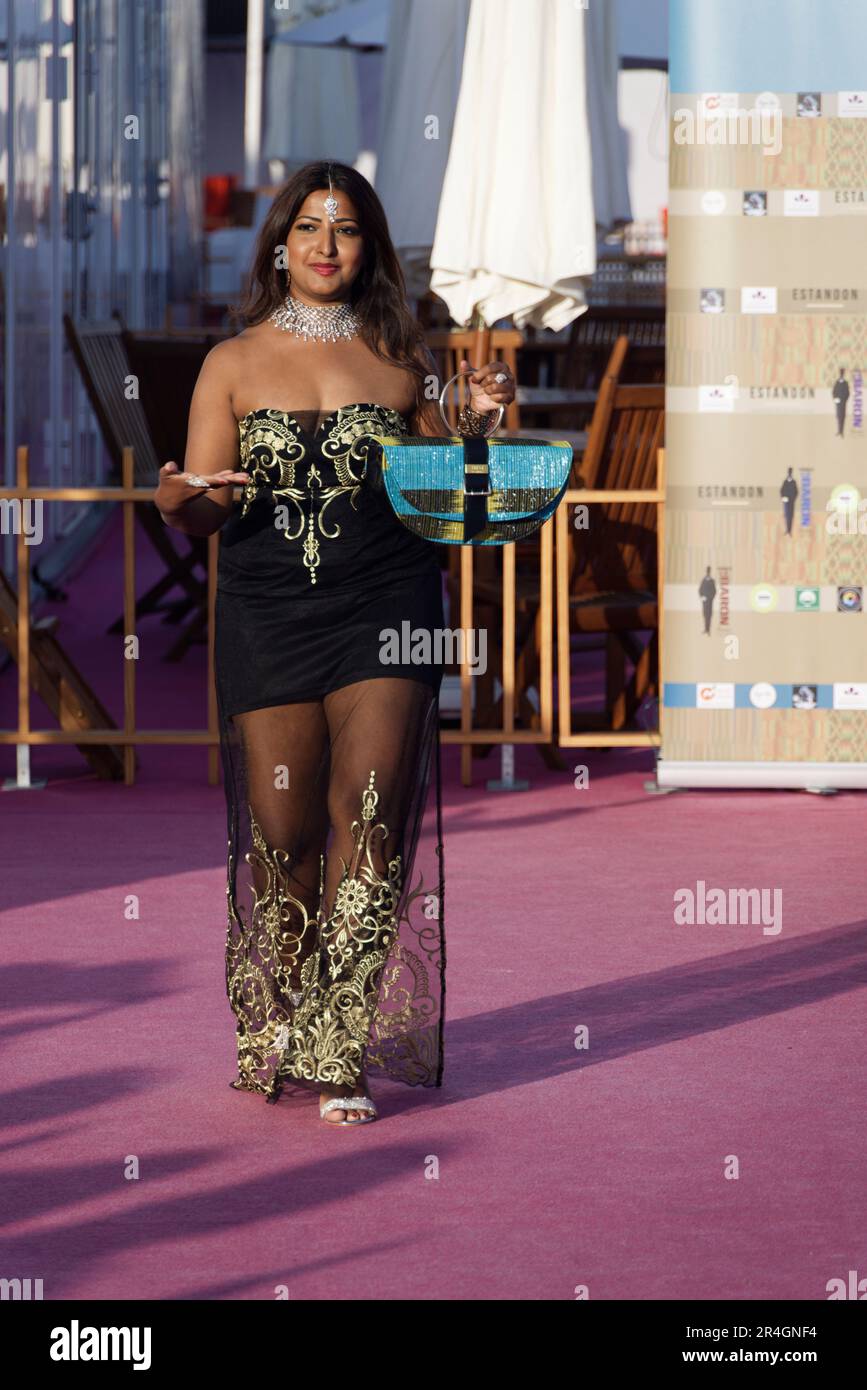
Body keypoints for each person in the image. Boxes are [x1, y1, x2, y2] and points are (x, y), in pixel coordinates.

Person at [154, 161, 516, 1126]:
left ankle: (338, 1036)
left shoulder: (400, 356)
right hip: (268, 613)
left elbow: (449, 487)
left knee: (372, 818)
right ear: (281, 243)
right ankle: (286, 1011)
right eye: (309, 227)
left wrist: (471, 419)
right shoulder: (229, 364)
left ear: (368, 248)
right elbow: (192, 507)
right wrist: (179, 498)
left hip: (387, 608)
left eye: (345, 229)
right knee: (284, 836)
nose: (325, 245)